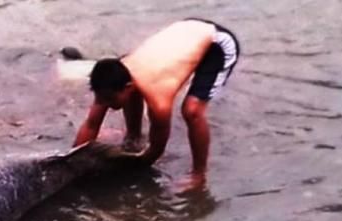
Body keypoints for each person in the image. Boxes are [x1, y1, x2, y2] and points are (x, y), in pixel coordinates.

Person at [73, 18, 240, 188]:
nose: (105, 104)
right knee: (131, 96)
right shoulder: (113, 77)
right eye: (101, 99)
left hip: (216, 43)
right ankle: (133, 136)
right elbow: (92, 125)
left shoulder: (159, 103)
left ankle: (199, 175)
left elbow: (155, 150)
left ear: (126, 87)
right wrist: (73, 162)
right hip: (186, 32)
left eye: (109, 99)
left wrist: (130, 166)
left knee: (192, 111)